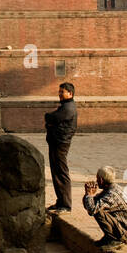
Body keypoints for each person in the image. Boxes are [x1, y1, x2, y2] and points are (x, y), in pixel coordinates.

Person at [82, 166, 127, 249]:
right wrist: (88, 195)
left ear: (101, 180)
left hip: (125, 233)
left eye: (97, 179)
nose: (96, 181)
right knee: (97, 206)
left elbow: (92, 210)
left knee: (98, 211)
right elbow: (89, 205)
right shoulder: (111, 189)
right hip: (122, 228)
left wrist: (89, 195)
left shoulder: (111, 195)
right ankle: (109, 237)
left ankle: (116, 239)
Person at [45, 82, 77, 213]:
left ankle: (66, 204)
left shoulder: (68, 108)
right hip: (56, 142)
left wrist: (50, 121)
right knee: (56, 173)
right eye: (59, 92)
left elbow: (52, 117)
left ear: (70, 93)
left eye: (62, 92)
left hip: (60, 143)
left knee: (61, 173)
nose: (60, 94)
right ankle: (60, 201)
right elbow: (52, 119)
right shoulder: (65, 107)